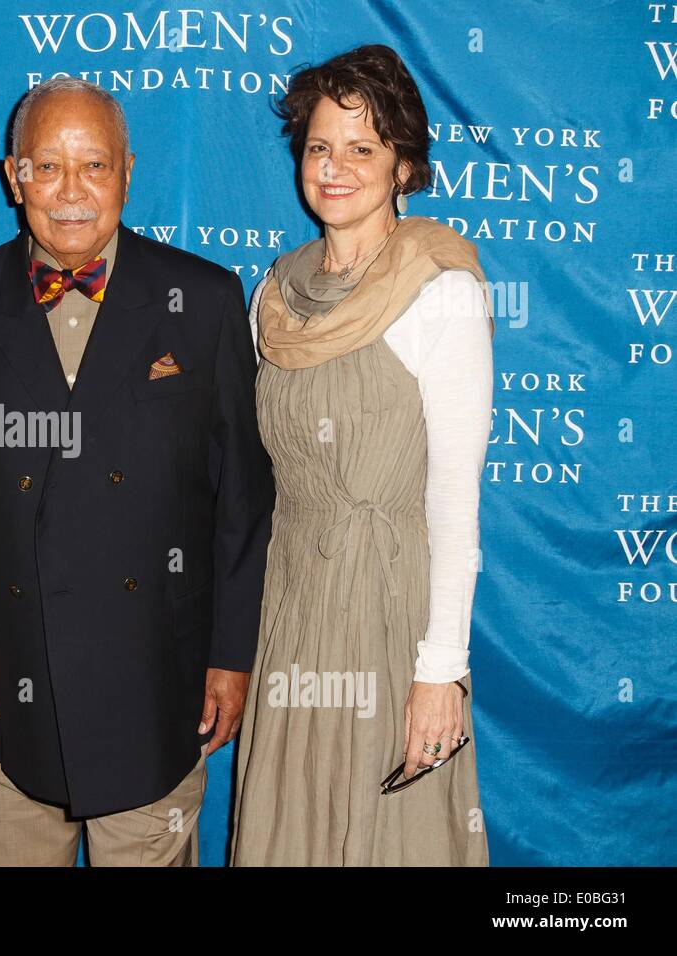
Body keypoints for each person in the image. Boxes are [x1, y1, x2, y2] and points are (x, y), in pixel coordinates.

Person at [0, 77, 275, 866]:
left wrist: (231, 653)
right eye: (48, 166)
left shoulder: (204, 299)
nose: (71, 192)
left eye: (95, 166)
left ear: (128, 171)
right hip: (1, 693)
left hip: (157, 686)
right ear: (15, 178)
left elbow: (241, 501)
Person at [229, 44, 492, 865]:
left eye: (362, 147)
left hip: (390, 616)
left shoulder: (441, 287)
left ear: (403, 164)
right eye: (319, 146)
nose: (334, 168)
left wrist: (440, 671)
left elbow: (454, 500)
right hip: (293, 607)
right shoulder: (273, 294)